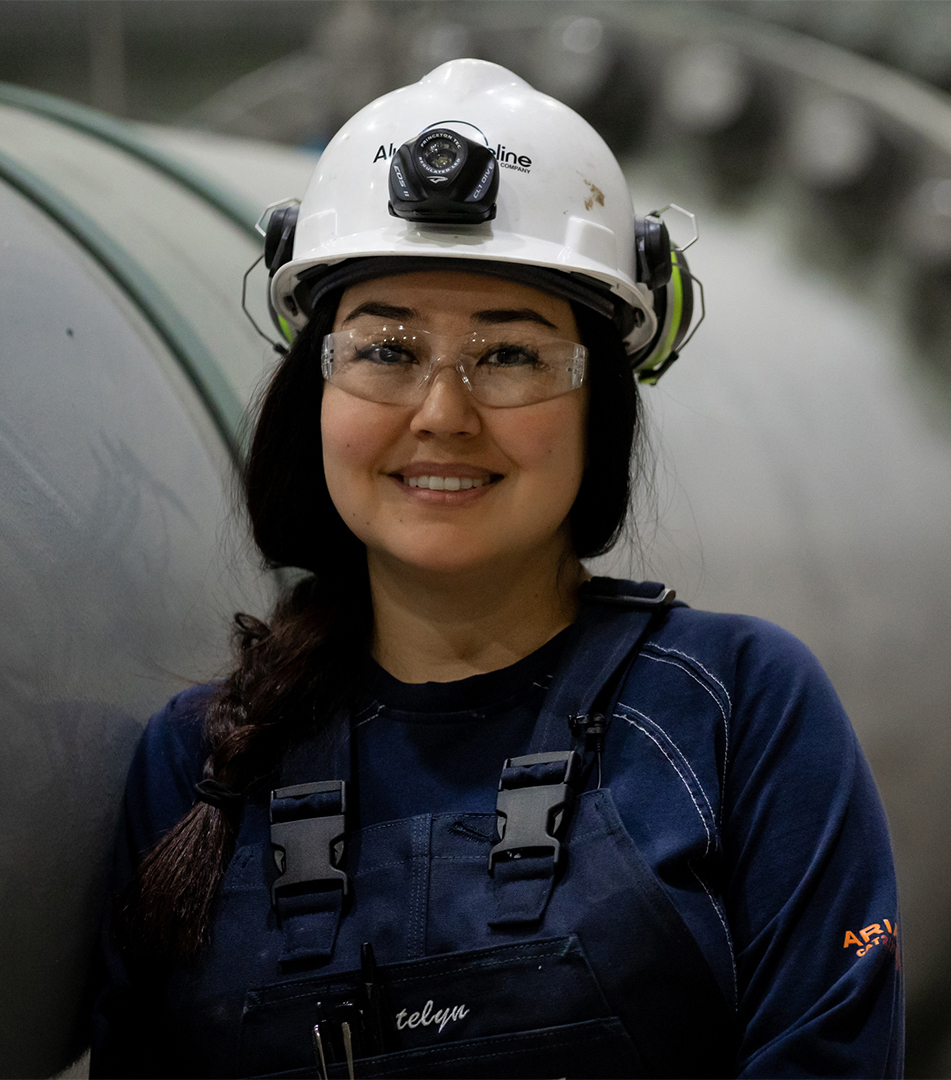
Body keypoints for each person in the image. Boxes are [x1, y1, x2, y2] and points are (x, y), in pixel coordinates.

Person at [90, 59, 903, 1079]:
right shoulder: (198, 763)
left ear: (598, 406)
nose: (442, 413)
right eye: (386, 348)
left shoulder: (738, 710)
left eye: (511, 355)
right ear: (317, 393)